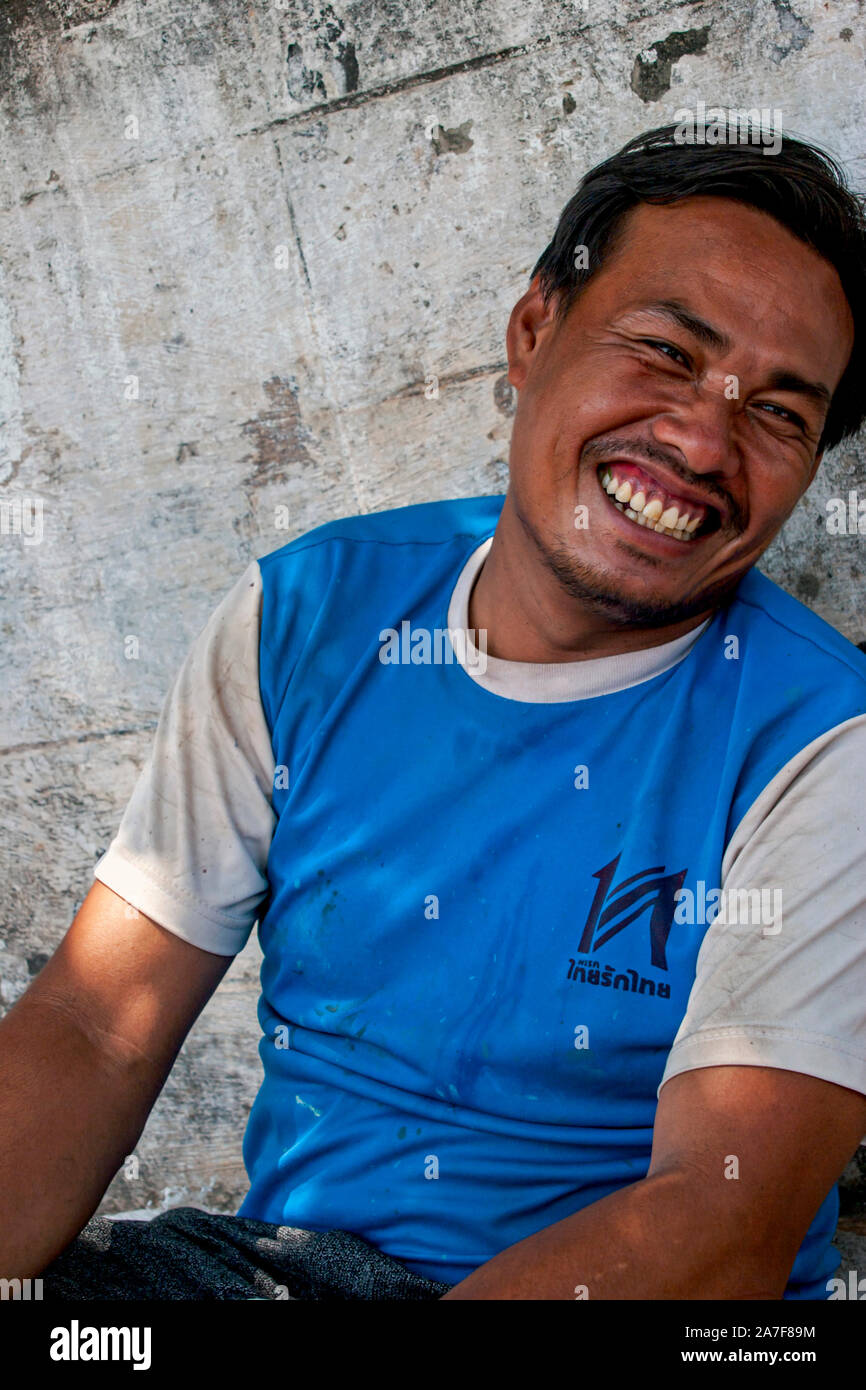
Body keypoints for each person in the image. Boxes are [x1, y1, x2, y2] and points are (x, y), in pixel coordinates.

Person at [3, 120, 866, 1301]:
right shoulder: (303, 613)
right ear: (532, 330)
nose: (700, 439)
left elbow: (717, 1223)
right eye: (665, 350)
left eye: (777, 413)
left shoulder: (824, 739)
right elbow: (99, 1025)